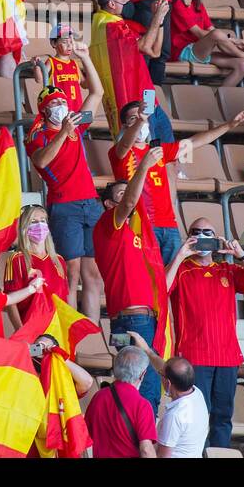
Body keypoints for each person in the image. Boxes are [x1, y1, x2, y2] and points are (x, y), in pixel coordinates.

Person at [112, 99, 244, 264]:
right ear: (125, 126)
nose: (141, 121)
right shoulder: (118, 153)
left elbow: (195, 141)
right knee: (146, 281)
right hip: (139, 225)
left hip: (169, 226)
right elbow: (124, 145)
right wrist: (141, 119)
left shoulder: (160, 150)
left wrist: (229, 125)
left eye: (143, 118)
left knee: (170, 281)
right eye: (133, 119)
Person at [165, 219, 244, 448]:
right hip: (194, 357)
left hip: (227, 356)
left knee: (222, 416)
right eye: (195, 232)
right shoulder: (180, 269)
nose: (201, 237)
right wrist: (180, 254)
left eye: (207, 233)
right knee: (196, 415)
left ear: (216, 238)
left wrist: (240, 255)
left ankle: (220, 453)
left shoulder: (227, 269)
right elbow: (160, 288)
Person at [94, 150, 168, 411]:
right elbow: (128, 204)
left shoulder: (137, 234)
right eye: (120, 194)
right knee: (143, 391)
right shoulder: (107, 224)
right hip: (132, 318)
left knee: (135, 387)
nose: (129, 198)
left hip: (133, 319)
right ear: (108, 204)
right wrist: (144, 166)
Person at [25, 84, 105, 324]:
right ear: (44, 111)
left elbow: (97, 93)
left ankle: (91, 329)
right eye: (53, 104)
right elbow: (41, 160)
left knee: (93, 274)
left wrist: (84, 57)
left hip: (90, 203)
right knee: (71, 272)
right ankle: (70, 327)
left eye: (62, 102)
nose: (60, 107)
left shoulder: (75, 127)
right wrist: (63, 132)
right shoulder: (38, 134)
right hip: (64, 206)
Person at [92, 0, 173, 142]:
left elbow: (155, 51)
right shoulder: (110, 26)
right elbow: (144, 46)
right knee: (152, 150)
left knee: (168, 148)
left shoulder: (120, 24)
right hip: (134, 103)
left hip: (147, 95)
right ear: (112, 4)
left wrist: (161, 20)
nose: (129, 1)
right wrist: (156, 17)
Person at [83, 345, 157, 458]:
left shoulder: (99, 396)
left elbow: (85, 434)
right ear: (143, 374)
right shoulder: (142, 405)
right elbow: (146, 450)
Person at [4, 204, 70, 324]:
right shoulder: (17, 259)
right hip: (32, 328)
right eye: (33, 221)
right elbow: (10, 301)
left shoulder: (59, 260)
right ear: (24, 227)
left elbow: (64, 299)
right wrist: (20, 331)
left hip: (57, 329)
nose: (39, 225)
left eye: (42, 221)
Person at [36, 23, 96, 112]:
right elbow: (39, 79)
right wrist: (36, 66)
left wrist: (90, 67)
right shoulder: (51, 62)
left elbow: (85, 84)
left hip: (76, 108)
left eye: (71, 42)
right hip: (59, 109)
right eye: (64, 42)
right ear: (54, 43)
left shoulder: (74, 63)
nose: (69, 45)